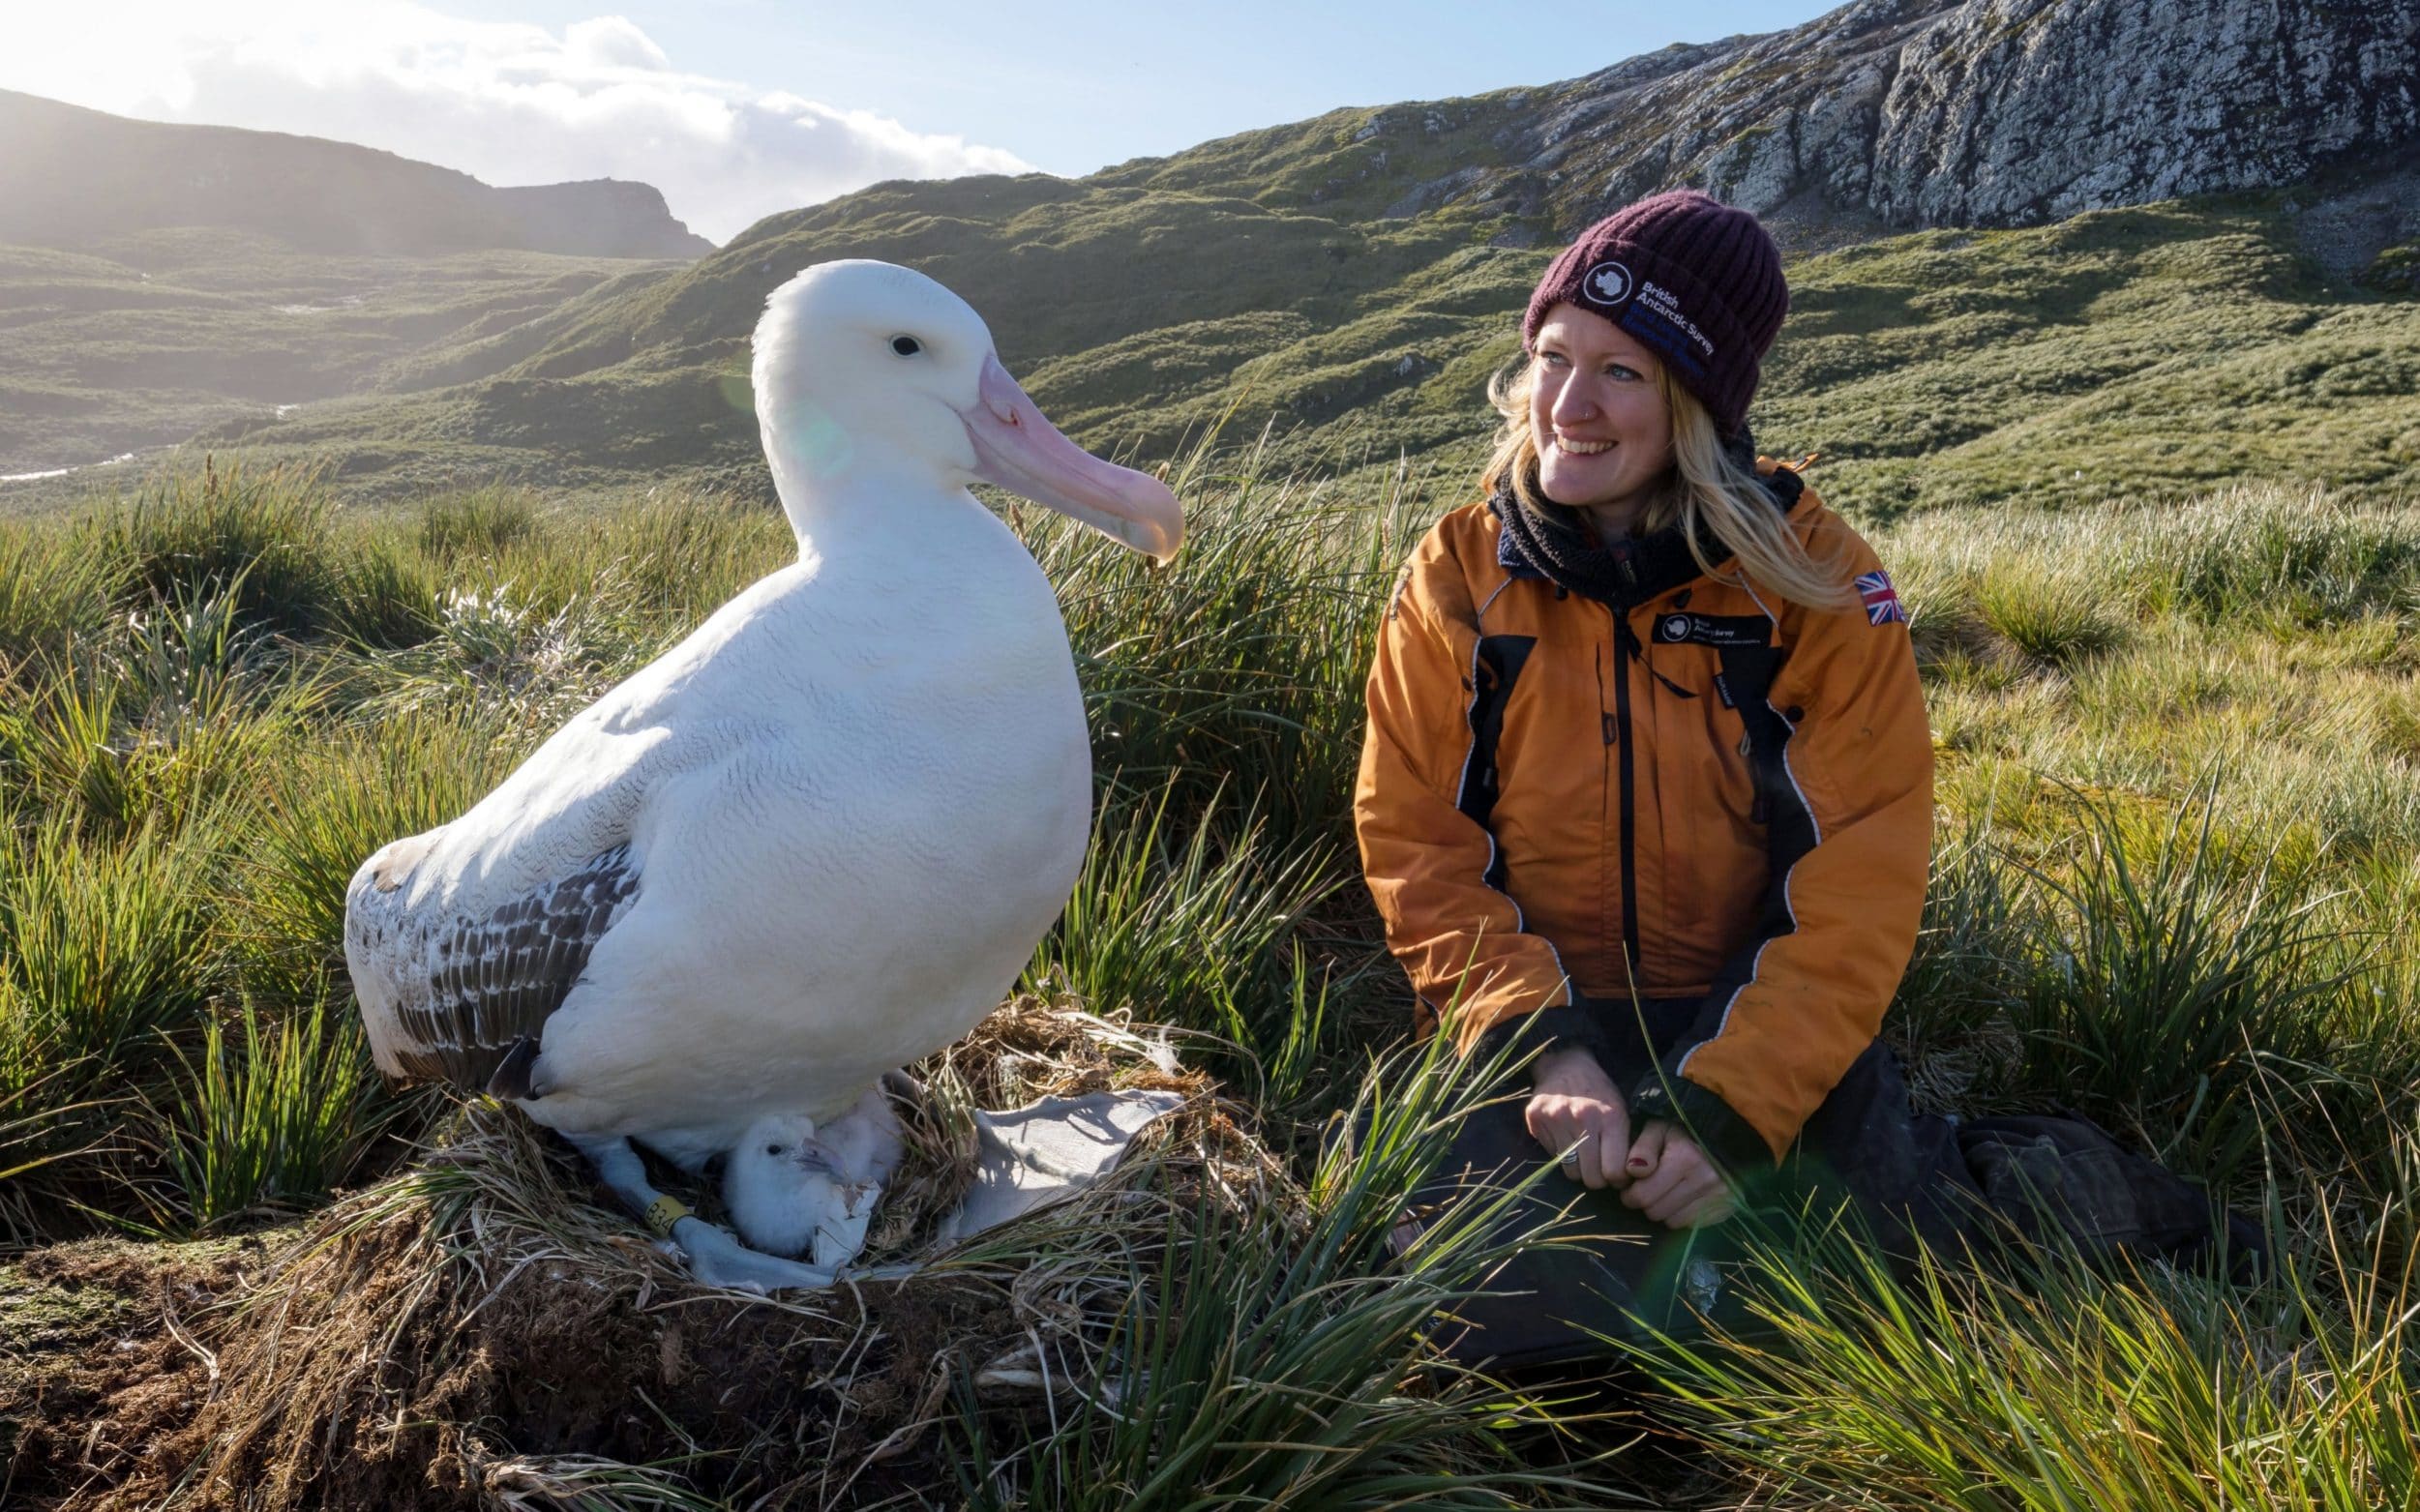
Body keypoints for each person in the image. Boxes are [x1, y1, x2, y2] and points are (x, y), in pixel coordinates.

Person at [1353, 192, 2254, 1365]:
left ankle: (2009, 1174)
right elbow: (1417, 841)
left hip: (1756, 1022)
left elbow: (1858, 878)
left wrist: (1728, 1110)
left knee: (1858, 1307)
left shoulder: (1814, 583)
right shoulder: (1458, 573)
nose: (1566, 408)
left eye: (1621, 373)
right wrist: (1539, 1045)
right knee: (1485, 1330)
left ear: (1696, 401)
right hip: (1543, 1027)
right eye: (1550, 358)